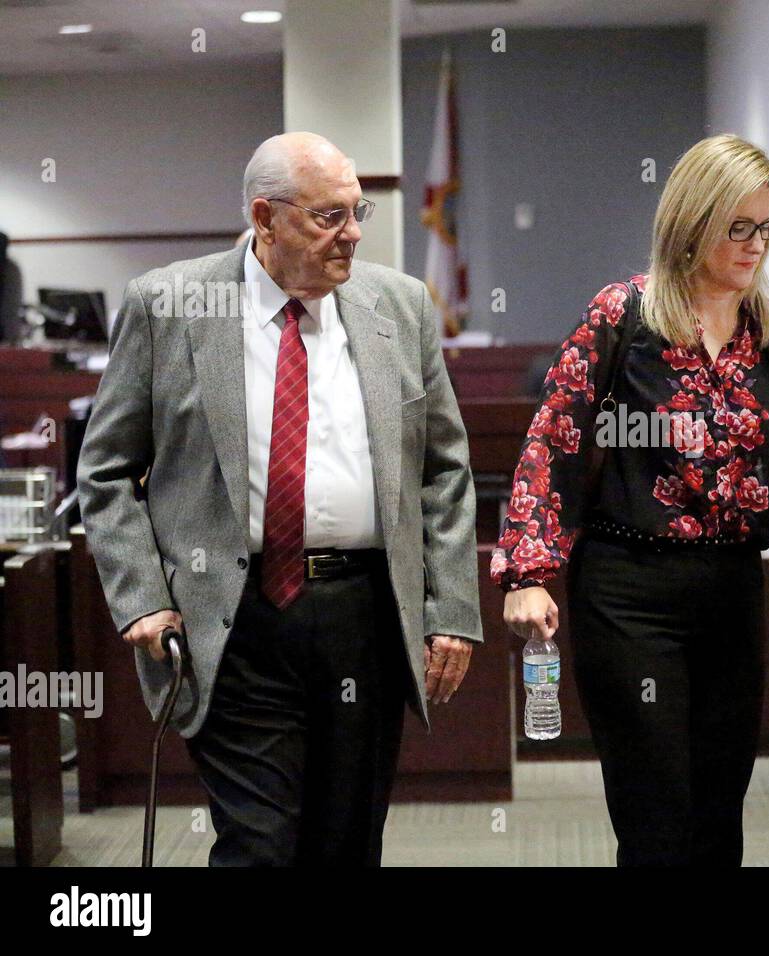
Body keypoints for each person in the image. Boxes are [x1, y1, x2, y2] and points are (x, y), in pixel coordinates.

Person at [492, 133, 769, 865]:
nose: (755, 245)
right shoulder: (623, 317)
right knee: (657, 817)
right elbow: (550, 444)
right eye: (737, 226)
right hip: (628, 591)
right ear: (692, 223)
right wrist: (528, 572)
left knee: (719, 813)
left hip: (730, 593)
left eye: (767, 226)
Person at [77, 132, 482, 865]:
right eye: (329, 217)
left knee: (345, 842)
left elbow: (445, 468)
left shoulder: (399, 306)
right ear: (265, 218)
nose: (353, 232)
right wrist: (140, 596)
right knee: (261, 846)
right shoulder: (169, 305)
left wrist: (450, 607)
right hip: (234, 621)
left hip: (365, 615)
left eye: (356, 210)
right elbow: (104, 471)